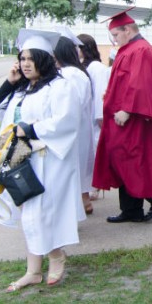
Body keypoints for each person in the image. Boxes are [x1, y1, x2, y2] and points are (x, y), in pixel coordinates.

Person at [0, 29, 81, 291]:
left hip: (48, 159)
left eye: (30, 58)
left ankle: (56, 255)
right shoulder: (22, 89)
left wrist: (32, 129)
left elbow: (67, 120)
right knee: (27, 211)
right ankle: (33, 271)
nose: (25, 63)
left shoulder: (60, 86)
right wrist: (9, 83)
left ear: (44, 59)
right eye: (22, 58)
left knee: (42, 212)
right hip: (21, 156)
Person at [92, 8, 152, 223]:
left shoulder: (141, 50)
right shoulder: (129, 49)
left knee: (138, 162)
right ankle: (131, 210)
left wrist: (127, 109)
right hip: (118, 119)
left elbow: (142, 83)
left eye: (116, 35)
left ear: (127, 29)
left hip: (133, 119)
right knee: (122, 162)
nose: (114, 40)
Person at [54, 32, 96, 216]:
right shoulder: (80, 73)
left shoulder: (67, 74)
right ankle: (84, 199)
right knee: (81, 164)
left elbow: (71, 103)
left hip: (72, 127)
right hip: (82, 125)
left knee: (73, 167)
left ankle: (77, 206)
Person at [78, 33, 111, 200]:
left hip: (95, 120)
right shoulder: (82, 67)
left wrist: (101, 119)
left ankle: (95, 187)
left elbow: (100, 95)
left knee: (95, 153)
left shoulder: (96, 68)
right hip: (85, 120)